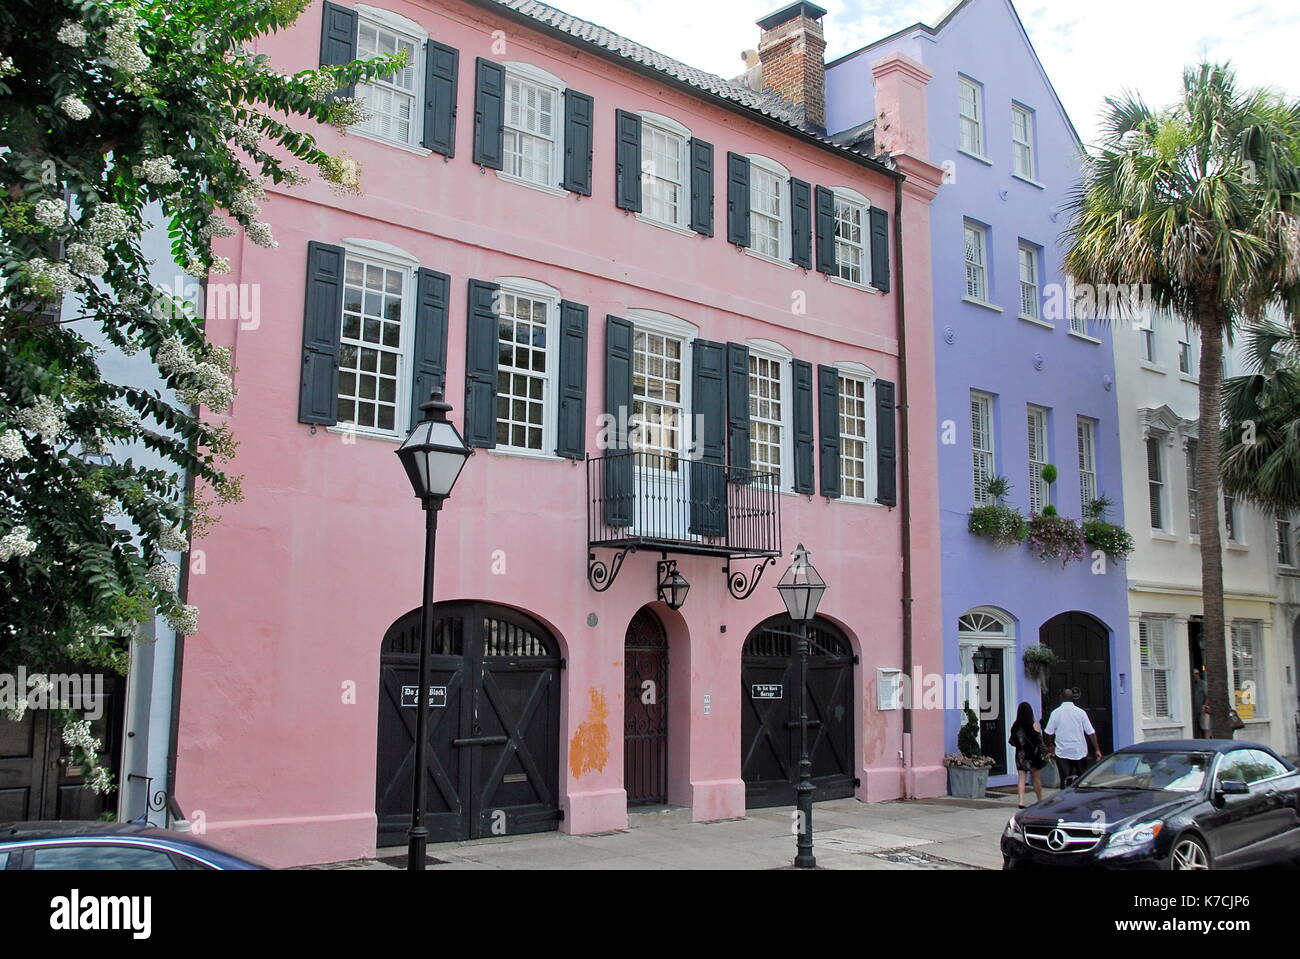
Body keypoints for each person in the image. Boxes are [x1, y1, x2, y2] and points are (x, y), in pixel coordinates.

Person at [1044, 687, 1102, 787]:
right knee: (1081, 778)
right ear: (1073, 698)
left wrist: (1050, 746)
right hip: (1079, 750)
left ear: (1061, 697)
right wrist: (1097, 749)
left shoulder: (1056, 713)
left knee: (1065, 779)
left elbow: (1048, 732)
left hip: (1062, 751)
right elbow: (1090, 732)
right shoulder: (1080, 713)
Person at [1008, 701, 1046, 807]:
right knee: (1036, 778)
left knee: (1021, 777)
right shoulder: (1035, 725)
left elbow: (1012, 742)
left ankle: (1021, 801)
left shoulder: (1015, 726)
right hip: (1034, 755)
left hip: (1021, 754)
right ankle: (1039, 800)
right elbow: (1040, 741)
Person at [1192, 669, 1209, 738]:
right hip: (1195, 710)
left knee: (1204, 727)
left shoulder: (1203, 684)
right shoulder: (1193, 684)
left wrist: (1204, 706)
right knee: (1197, 727)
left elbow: (1208, 696)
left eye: (1194, 675)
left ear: (1197, 674)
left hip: (1202, 709)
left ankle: (1206, 741)